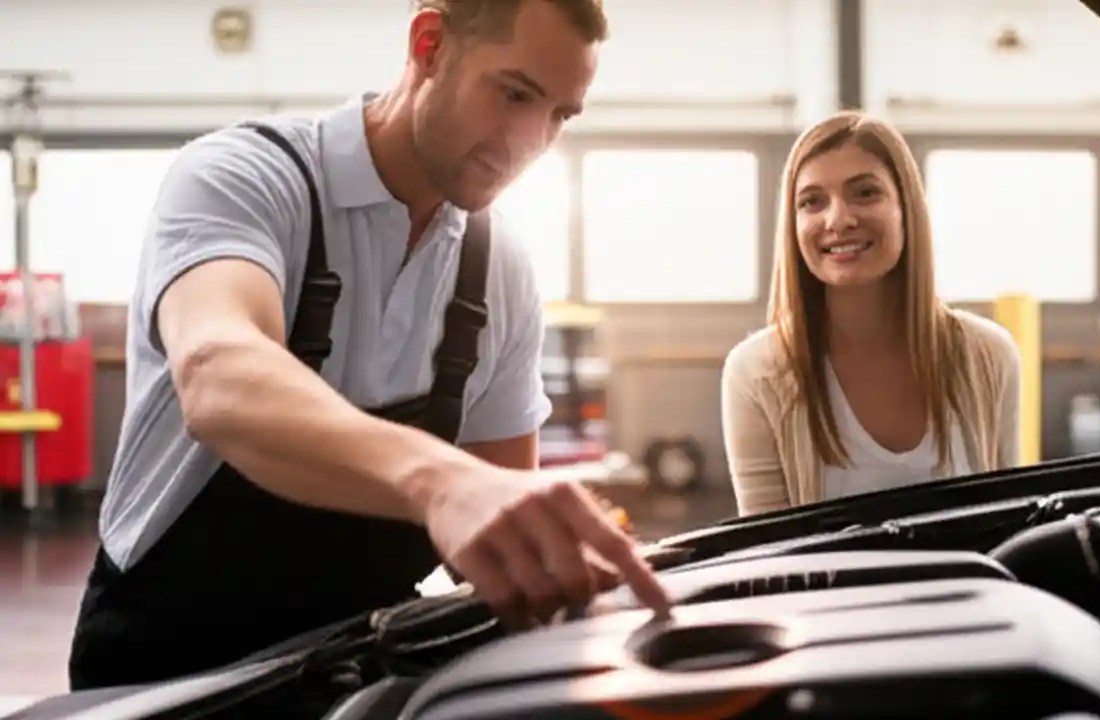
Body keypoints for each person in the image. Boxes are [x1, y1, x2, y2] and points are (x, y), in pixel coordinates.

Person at [68, 0, 670, 691]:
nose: (529, 141)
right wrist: (439, 481)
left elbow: (501, 515)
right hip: (166, 672)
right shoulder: (245, 177)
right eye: (514, 94)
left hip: (356, 673)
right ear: (430, 44)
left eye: (561, 115)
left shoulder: (500, 265)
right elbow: (218, 374)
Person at [720, 109, 1021, 516]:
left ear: (906, 208)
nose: (838, 219)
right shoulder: (756, 372)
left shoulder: (989, 355)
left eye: (865, 192)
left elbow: (1013, 524)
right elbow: (767, 557)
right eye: (812, 201)